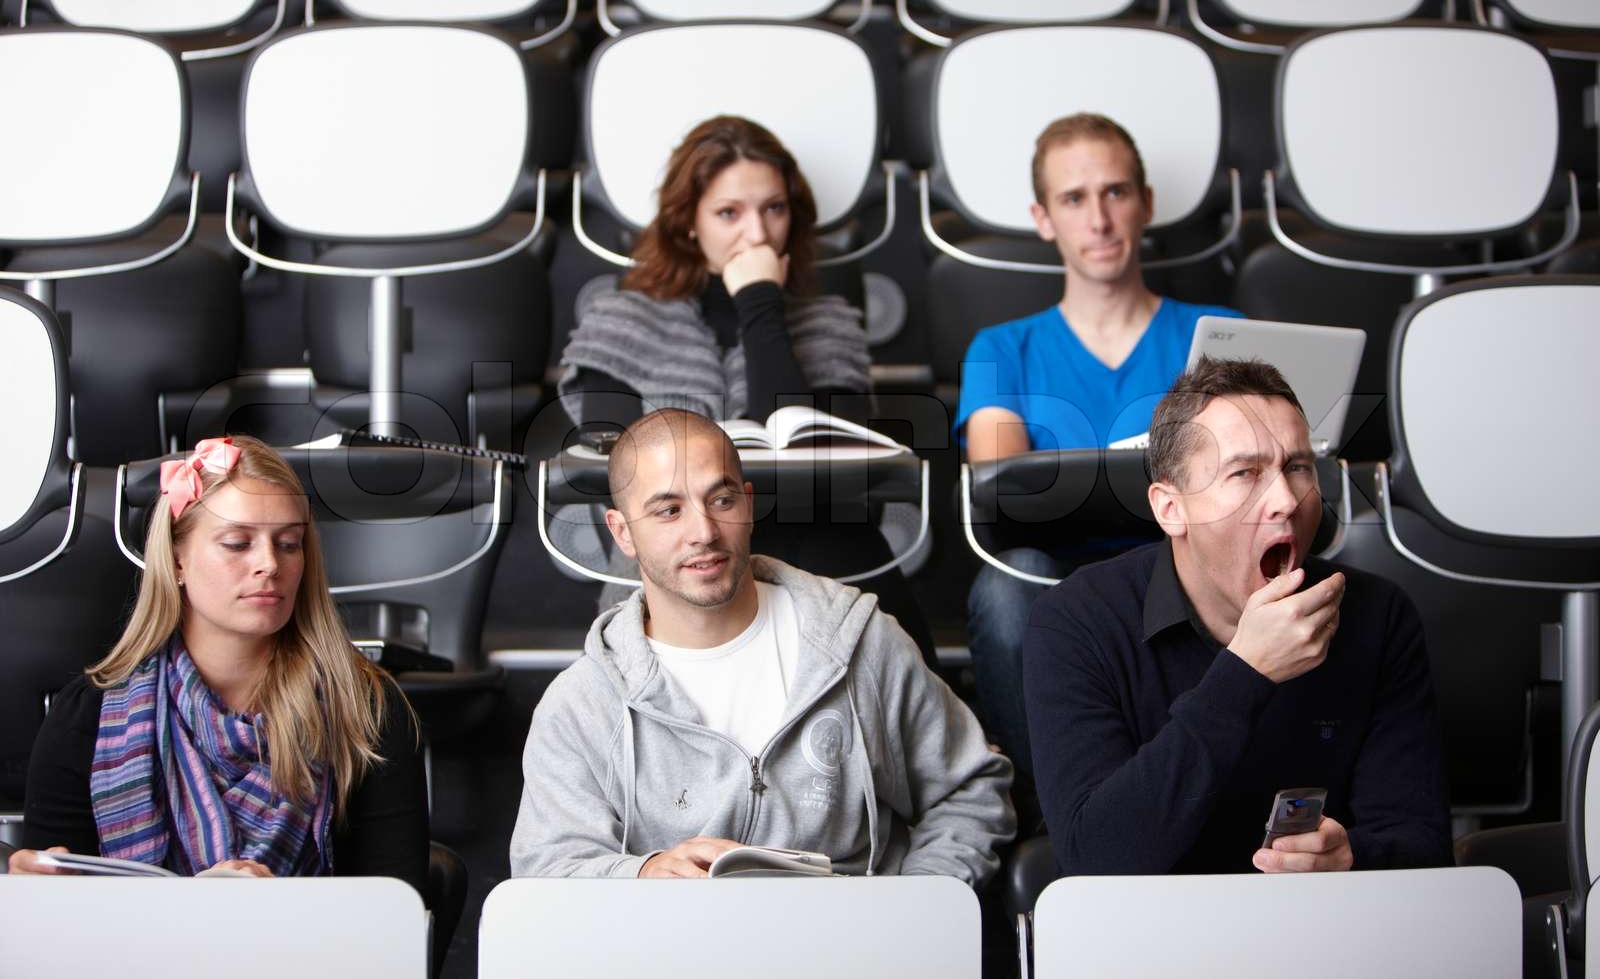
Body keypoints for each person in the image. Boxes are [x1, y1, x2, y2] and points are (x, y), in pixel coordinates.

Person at [510, 409, 1014, 883]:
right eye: (668, 510)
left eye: (721, 500)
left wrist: (914, 907)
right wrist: (638, 875)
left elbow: (970, 789)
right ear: (622, 532)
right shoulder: (582, 702)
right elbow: (546, 866)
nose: (703, 532)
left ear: (748, 504)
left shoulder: (860, 642)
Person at [1025, 357, 1451, 875]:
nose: (1286, 500)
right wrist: (1245, 672)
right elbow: (1093, 858)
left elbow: (1422, 845)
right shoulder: (1076, 623)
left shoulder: (1379, 617)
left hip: (1323, 932)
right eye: (1245, 473)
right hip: (1151, 938)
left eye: (1297, 467)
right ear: (1170, 509)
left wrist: (1352, 858)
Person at [557, 113, 936, 663]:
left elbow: (822, 478)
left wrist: (759, 301)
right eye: (729, 213)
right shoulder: (621, 324)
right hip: (678, 558)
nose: (757, 234)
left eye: (774, 209)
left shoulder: (826, 321)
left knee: (842, 545)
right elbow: (616, 480)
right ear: (689, 221)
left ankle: (928, 733)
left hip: (815, 547)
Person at [956, 113, 1245, 779]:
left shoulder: (1219, 334)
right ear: (1043, 217)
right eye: (1074, 198)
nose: (1099, 219)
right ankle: (1058, 816)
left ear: (1146, 203)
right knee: (1005, 583)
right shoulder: (1002, 349)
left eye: (1116, 192)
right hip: (1057, 584)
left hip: (1190, 571)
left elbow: (1248, 483)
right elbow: (1004, 491)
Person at [10, 436, 429, 891]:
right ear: (176, 560)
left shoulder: (365, 708)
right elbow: (58, 939)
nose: (269, 564)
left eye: (289, 544)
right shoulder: (86, 718)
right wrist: (35, 892)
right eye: (236, 543)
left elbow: (392, 922)